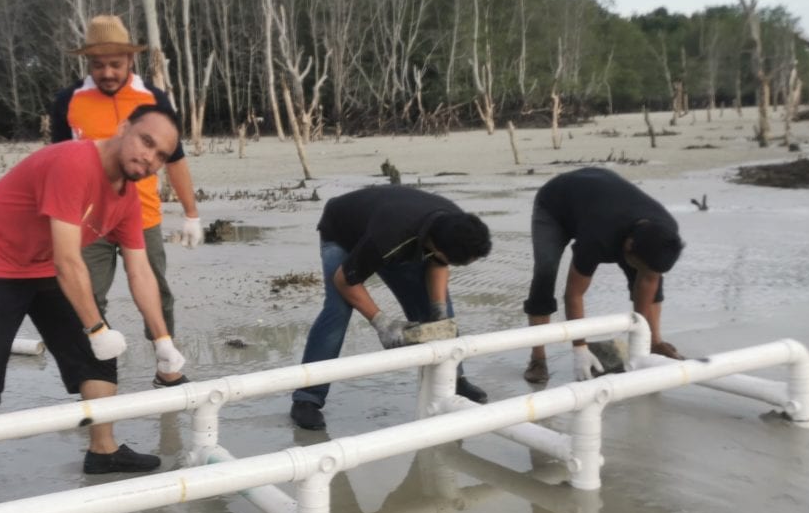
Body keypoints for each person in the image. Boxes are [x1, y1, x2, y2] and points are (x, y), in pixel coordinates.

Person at [0, 103, 188, 509]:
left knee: (95, 359)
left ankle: (103, 451)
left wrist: (163, 341)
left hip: (43, 265)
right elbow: (68, 260)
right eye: (146, 141)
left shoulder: (128, 196)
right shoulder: (75, 162)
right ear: (124, 127)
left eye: (161, 155)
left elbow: (140, 270)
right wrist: (96, 328)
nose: (150, 158)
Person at [48, 14, 200, 388]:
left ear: (131, 61)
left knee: (156, 290)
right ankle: (95, 374)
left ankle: (167, 365)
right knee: (86, 295)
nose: (108, 73)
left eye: (116, 64)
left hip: (141, 214)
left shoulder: (152, 99)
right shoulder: (68, 102)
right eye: (98, 65)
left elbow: (175, 159)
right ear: (88, 64)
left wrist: (191, 213)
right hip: (87, 223)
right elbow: (56, 165)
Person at [289, 185, 493, 431]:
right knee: (338, 309)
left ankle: (453, 379)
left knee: (440, 318)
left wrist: (438, 311)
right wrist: (381, 323)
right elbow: (344, 281)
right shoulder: (390, 235)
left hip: (396, 237)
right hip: (343, 232)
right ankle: (307, 398)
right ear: (438, 246)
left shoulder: (454, 223)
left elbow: (438, 263)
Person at [521, 166, 685, 385]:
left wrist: (644, 341)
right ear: (627, 246)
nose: (647, 275)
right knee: (545, 271)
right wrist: (580, 348)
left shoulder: (665, 230)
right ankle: (538, 358)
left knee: (651, 278)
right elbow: (574, 295)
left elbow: (649, 280)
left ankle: (654, 341)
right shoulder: (598, 237)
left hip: (601, 197)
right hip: (555, 204)